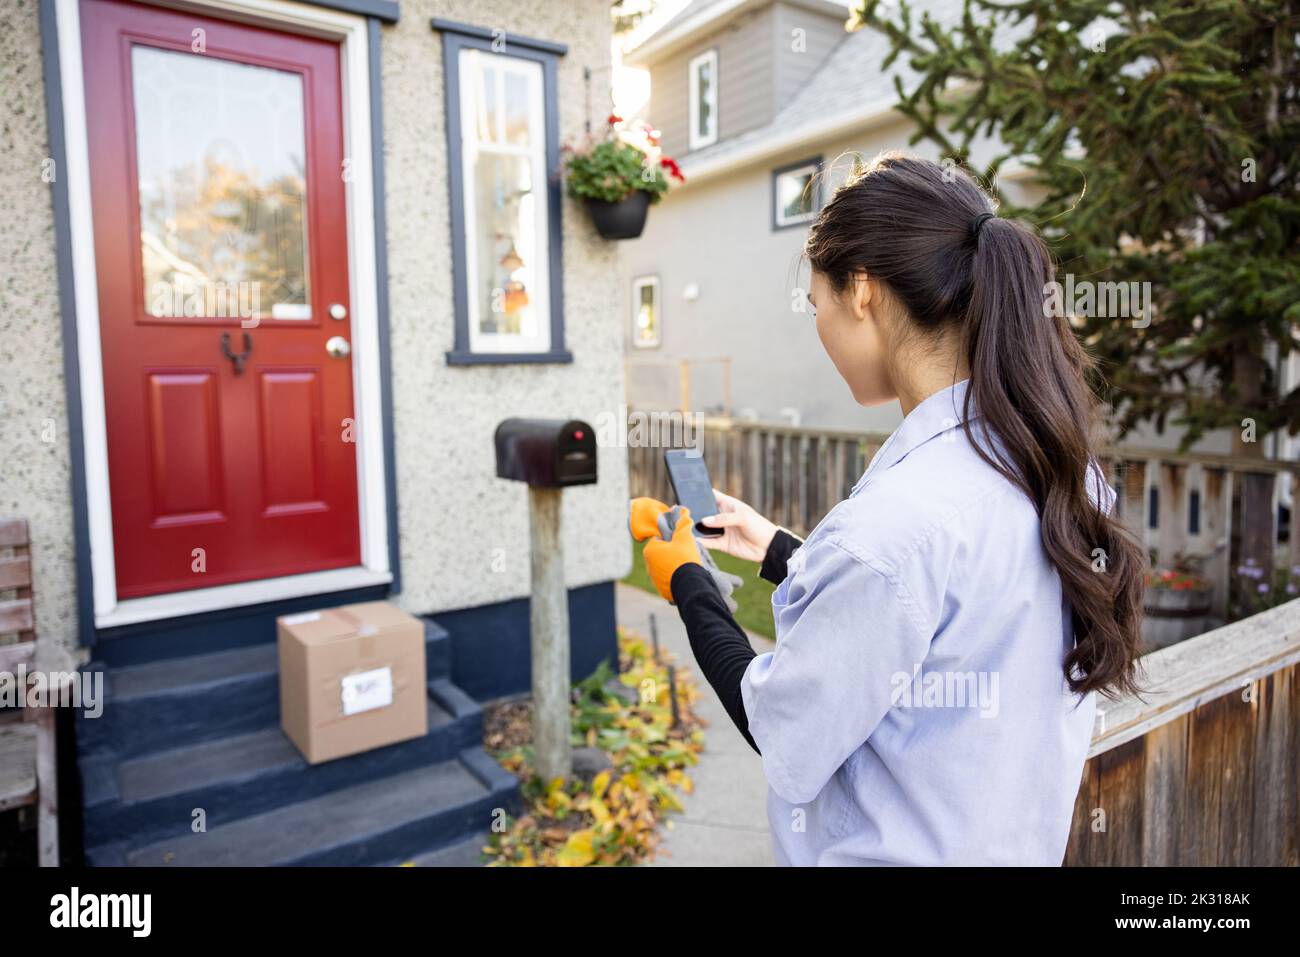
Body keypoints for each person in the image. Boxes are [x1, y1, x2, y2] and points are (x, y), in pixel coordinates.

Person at [628, 152, 1145, 866]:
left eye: (818, 304)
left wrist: (688, 578)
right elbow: (936, 616)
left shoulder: (893, 528)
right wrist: (780, 549)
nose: (818, 325)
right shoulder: (1054, 469)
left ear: (863, 292)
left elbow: (779, 725)